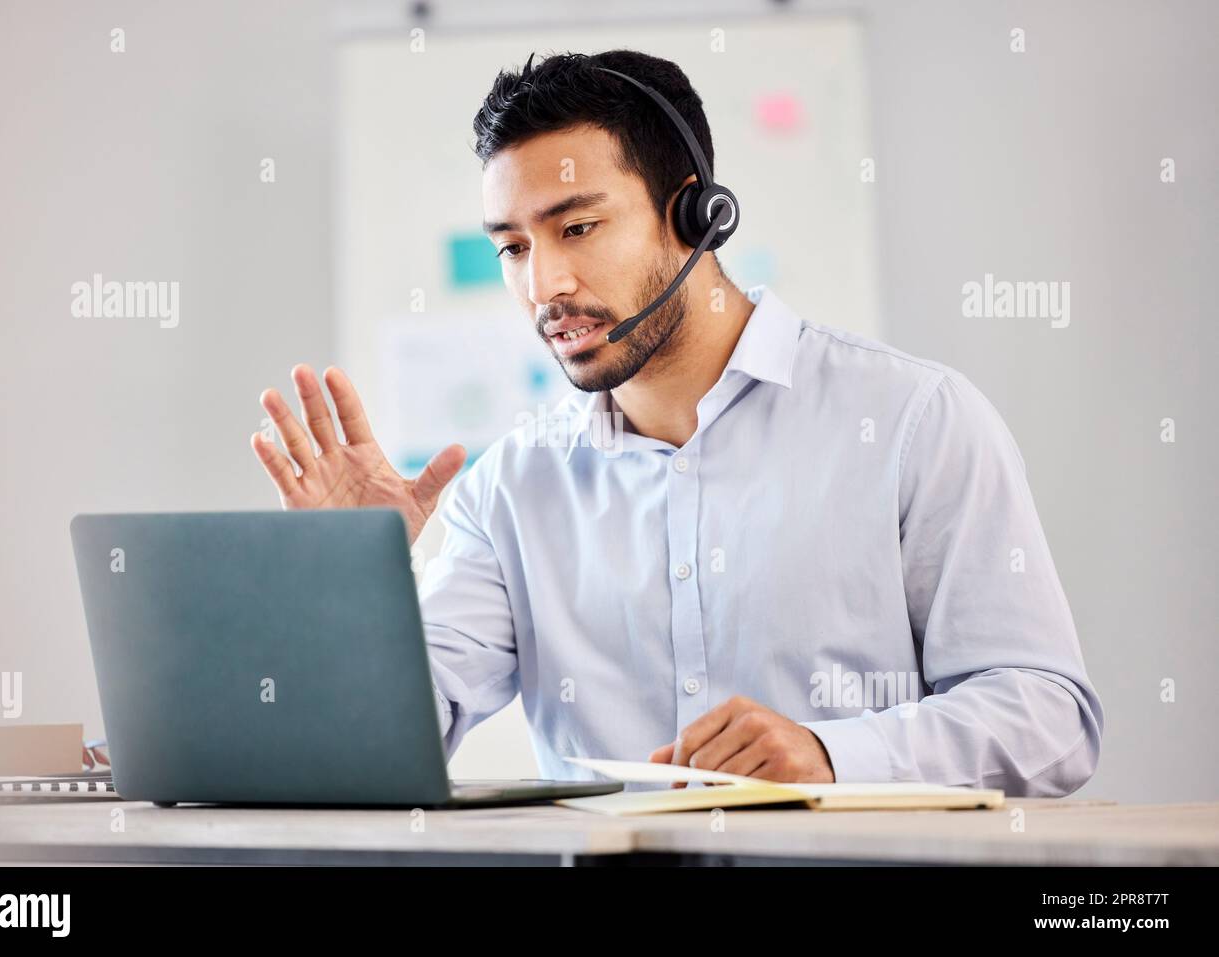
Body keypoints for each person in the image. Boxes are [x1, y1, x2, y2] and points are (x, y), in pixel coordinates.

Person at [250, 49, 1102, 795]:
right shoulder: (510, 491)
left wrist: (834, 755)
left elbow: (1048, 715)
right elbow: (381, 745)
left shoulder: (916, 421)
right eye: (512, 247)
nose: (543, 285)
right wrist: (348, 589)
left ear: (695, 214)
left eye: (577, 227)